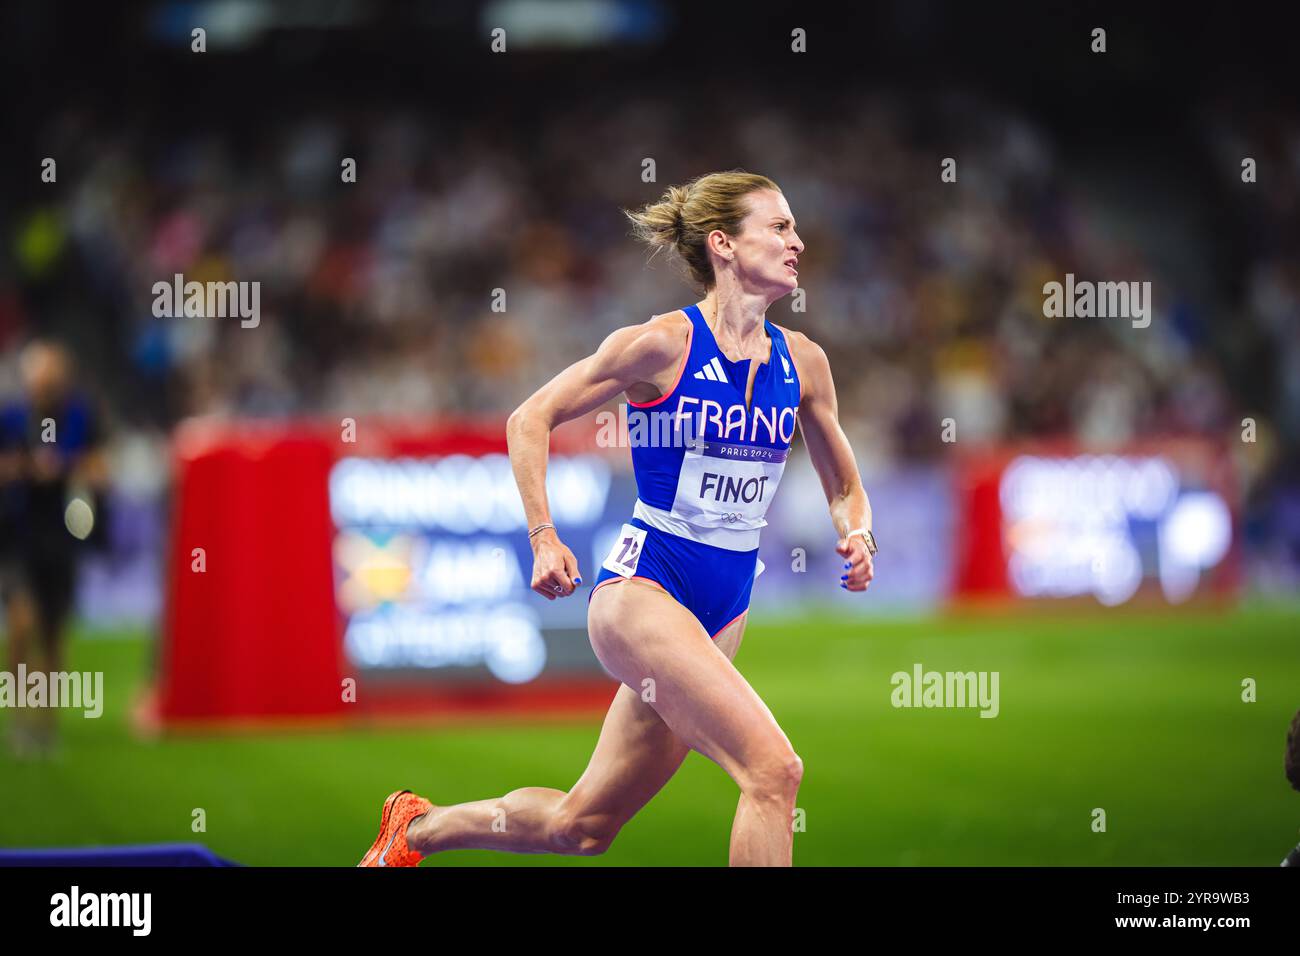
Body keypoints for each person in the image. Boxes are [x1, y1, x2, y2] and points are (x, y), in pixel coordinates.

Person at [359, 171, 876, 867]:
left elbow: (842, 480)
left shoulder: (804, 362)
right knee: (773, 772)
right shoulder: (662, 345)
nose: (798, 242)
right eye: (779, 227)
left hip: (723, 611)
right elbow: (529, 418)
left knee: (583, 827)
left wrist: (858, 530)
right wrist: (543, 535)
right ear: (723, 244)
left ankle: (416, 829)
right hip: (644, 592)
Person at [0, 340, 108, 757]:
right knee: (23, 623)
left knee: (53, 631)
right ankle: (19, 719)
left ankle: (46, 725)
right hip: (19, 535)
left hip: (62, 537)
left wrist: (65, 468)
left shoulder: (81, 415)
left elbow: (101, 468)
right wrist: (25, 470)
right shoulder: (12, 418)